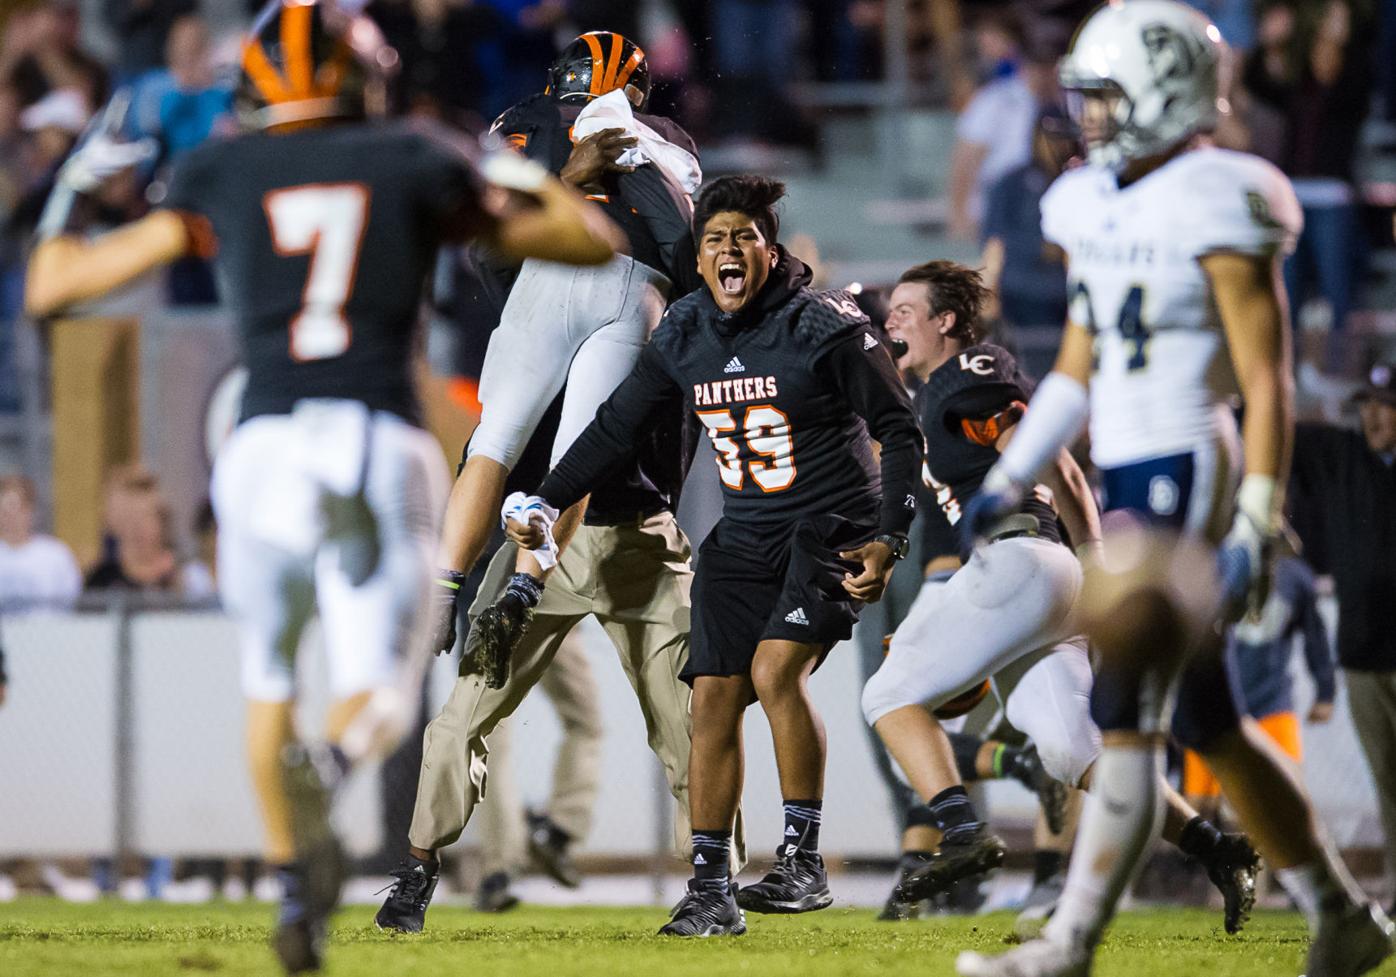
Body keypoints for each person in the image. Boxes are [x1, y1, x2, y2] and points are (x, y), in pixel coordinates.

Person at [24, 1, 619, 971]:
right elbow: (586, 239)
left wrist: (77, 187)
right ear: (364, 76)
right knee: (383, 687)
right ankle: (336, 764)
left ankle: (297, 887)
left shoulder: (219, 167)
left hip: (259, 452)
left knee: (267, 680)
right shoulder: (415, 155)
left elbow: (54, 284)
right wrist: (500, 161)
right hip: (380, 441)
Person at [956, 4, 1393, 976]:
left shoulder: (1219, 194)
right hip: (1128, 468)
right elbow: (1078, 359)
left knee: (1126, 706)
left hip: (1191, 467)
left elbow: (1266, 372)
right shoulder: (1089, 200)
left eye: (1106, 96)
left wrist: (1254, 510)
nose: (1090, 117)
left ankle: (1069, 941)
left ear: (1162, 90)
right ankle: (1343, 912)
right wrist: (1016, 472)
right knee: (1206, 722)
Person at [507, 175, 922, 936]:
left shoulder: (823, 323)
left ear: (772, 249)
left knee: (774, 671)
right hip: (745, 530)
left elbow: (900, 429)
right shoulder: (687, 326)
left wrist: (889, 536)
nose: (727, 251)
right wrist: (545, 493)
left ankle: (802, 860)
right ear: (697, 256)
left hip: (831, 523)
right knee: (712, 699)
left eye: (743, 237)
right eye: (713, 239)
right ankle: (711, 886)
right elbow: (615, 428)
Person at [864, 260, 1256, 935]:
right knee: (1071, 748)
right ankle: (1216, 848)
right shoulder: (933, 394)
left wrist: (1095, 560)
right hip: (1040, 578)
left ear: (947, 321)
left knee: (887, 695)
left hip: (1020, 561)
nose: (892, 320)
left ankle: (961, 831)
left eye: (906, 309)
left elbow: (1060, 463)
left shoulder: (967, 377)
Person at [427, 31, 701, 689]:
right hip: (637, 290)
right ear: (633, 87)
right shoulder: (670, 137)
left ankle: (441, 586)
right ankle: (524, 589)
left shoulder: (522, 120)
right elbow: (681, 241)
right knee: (575, 458)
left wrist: (565, 182)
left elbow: (490, 225)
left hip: (551, 270)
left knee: (494, 440)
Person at [1287, 364, 1396, 911]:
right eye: (1367, 404)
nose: (1374, 414)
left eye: (1386, 403)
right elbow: (1272, 428)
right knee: (1388, 782)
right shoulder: (1343, 456)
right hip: (1362, 652)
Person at [1182, 554, 1335, 819]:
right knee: (1198, 808)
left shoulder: (1294, 575)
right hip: (1216, 703)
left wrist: (1325, 691)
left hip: (1270, 702)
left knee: (1288, 799)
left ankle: (1277, 860)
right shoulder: (1213, 563)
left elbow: (1315, 637)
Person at [0, 474, 81, 612]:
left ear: (30, 510)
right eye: (4, 511)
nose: (10, 517)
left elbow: (72, 602)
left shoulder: (56, 554)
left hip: (48, 631)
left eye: (15, 508)